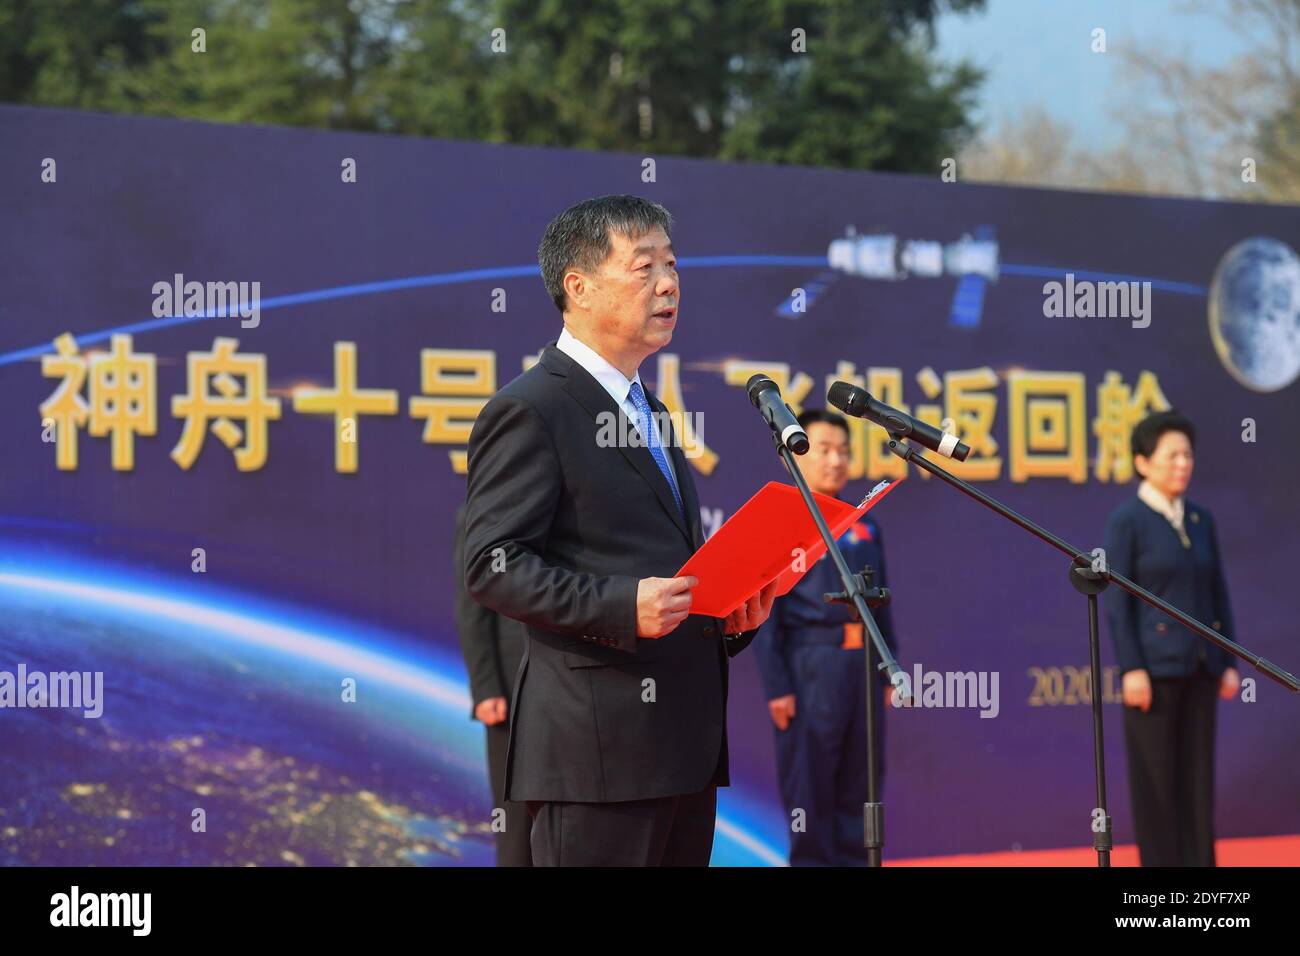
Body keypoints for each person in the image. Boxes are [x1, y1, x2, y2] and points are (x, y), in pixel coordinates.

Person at [462, 194, 777, 867]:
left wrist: (728, 616)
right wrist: (622, 606)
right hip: (599, 755)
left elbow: (662, 560)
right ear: (578, 287)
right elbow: (490, 564)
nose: (669, 284)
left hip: (683, 750)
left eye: (673, 266)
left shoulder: (650, 410)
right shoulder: (532, 407)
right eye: (644, 268)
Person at [752, 409, 897, 866]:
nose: (835, 460)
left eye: (844, 451)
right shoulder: (780, 521)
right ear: (794, 455)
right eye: (824, 450)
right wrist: (778, 687)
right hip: (810, 666)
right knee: (810, 788)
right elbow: (763, 615)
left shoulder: (864, 523)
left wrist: (888, 665)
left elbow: (881, 601)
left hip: (863, 670)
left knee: (862, 782)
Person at [1102, 410, 1239, 867]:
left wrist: (1228, 660)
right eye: (1171, 455)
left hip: (1201, 670)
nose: (1183, 463)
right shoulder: (1129, 521)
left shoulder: (1201, 520)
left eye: (1188, 455)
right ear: (1143, 462)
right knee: (1157, 786)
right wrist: (1132, 668)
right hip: (1153, 676)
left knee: (1198, 784)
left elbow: (1217, 592)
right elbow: (1117, 603)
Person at [452, 500, 532, 866]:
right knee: (514, 825)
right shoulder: (484, 508)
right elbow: (472, 604)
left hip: (568, 692)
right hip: (510, 694)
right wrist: (485, 686)